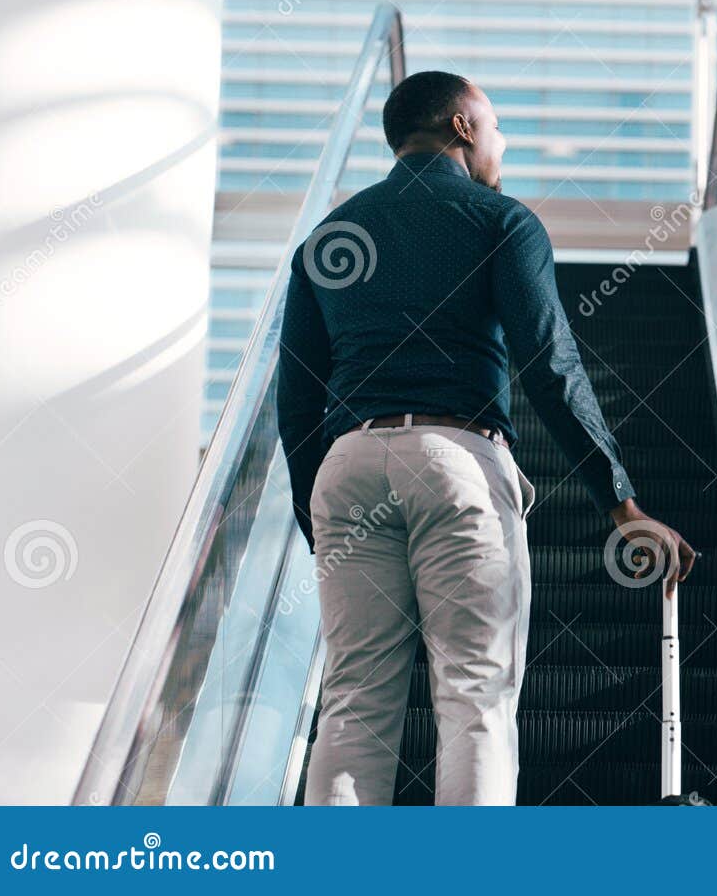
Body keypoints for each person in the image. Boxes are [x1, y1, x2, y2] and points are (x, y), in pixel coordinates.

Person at [276, 70, 695, 805]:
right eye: (495, 124)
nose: (503, 141)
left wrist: (317, 515)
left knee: (353, 700)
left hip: (345, 468)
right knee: (475, 694)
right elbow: (549, 361)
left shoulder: (327, 239)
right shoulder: (500, 220)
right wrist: (620, 500)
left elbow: (296, 398)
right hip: (455, 459)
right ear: (463, 126)